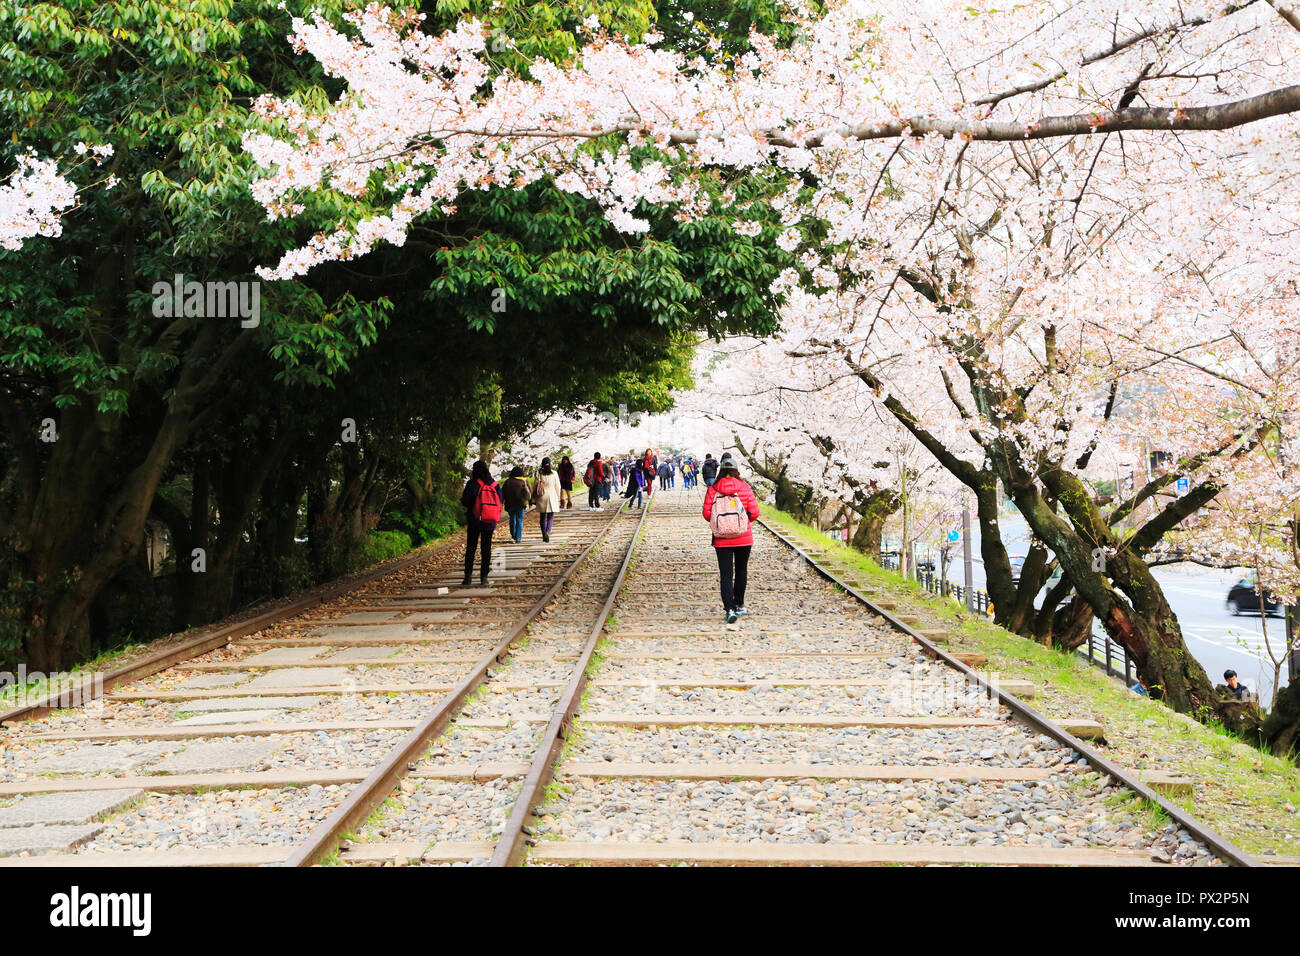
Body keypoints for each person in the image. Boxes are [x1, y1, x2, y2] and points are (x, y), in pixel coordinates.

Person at [702, 454, 761, 624]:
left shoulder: (713, 489)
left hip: (721, 539)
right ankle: (740, 604)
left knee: (726, 575)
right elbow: (755, 512)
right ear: (736, 471)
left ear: (721, 470)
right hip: (744, 537)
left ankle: (729, 608)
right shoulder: (745, 488)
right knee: (741, 570)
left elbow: (707, 514)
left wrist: (723, 523)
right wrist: (742, 521)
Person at [460, 460, 502, 586]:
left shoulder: (472, 483)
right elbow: (500, 501)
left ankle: (468, 577)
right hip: (489, 522)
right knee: (486, 548)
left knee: (471, 548)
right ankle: (484, 577)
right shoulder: (495, 485)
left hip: (474, 520)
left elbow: (465, 501)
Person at [532, 457, 561, 542]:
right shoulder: (554, 473)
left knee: (542, 517)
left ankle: (544, 533)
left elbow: (535, 485)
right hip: (551, 495)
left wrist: (533, 496)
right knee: (550, 516)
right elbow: (558, 486)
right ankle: (547, 532)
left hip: (542, 496)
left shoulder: (539, 473)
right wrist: (558, 496)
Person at [501, 466, 530, 543]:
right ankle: (518, 538)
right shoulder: (523, 481)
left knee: (512, 520)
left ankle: (513, 535)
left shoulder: (507, 482)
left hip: (510, 504)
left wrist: (502, 502)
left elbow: (502, 493)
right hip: (520, 504)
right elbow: (528, 494)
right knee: (519, 520)